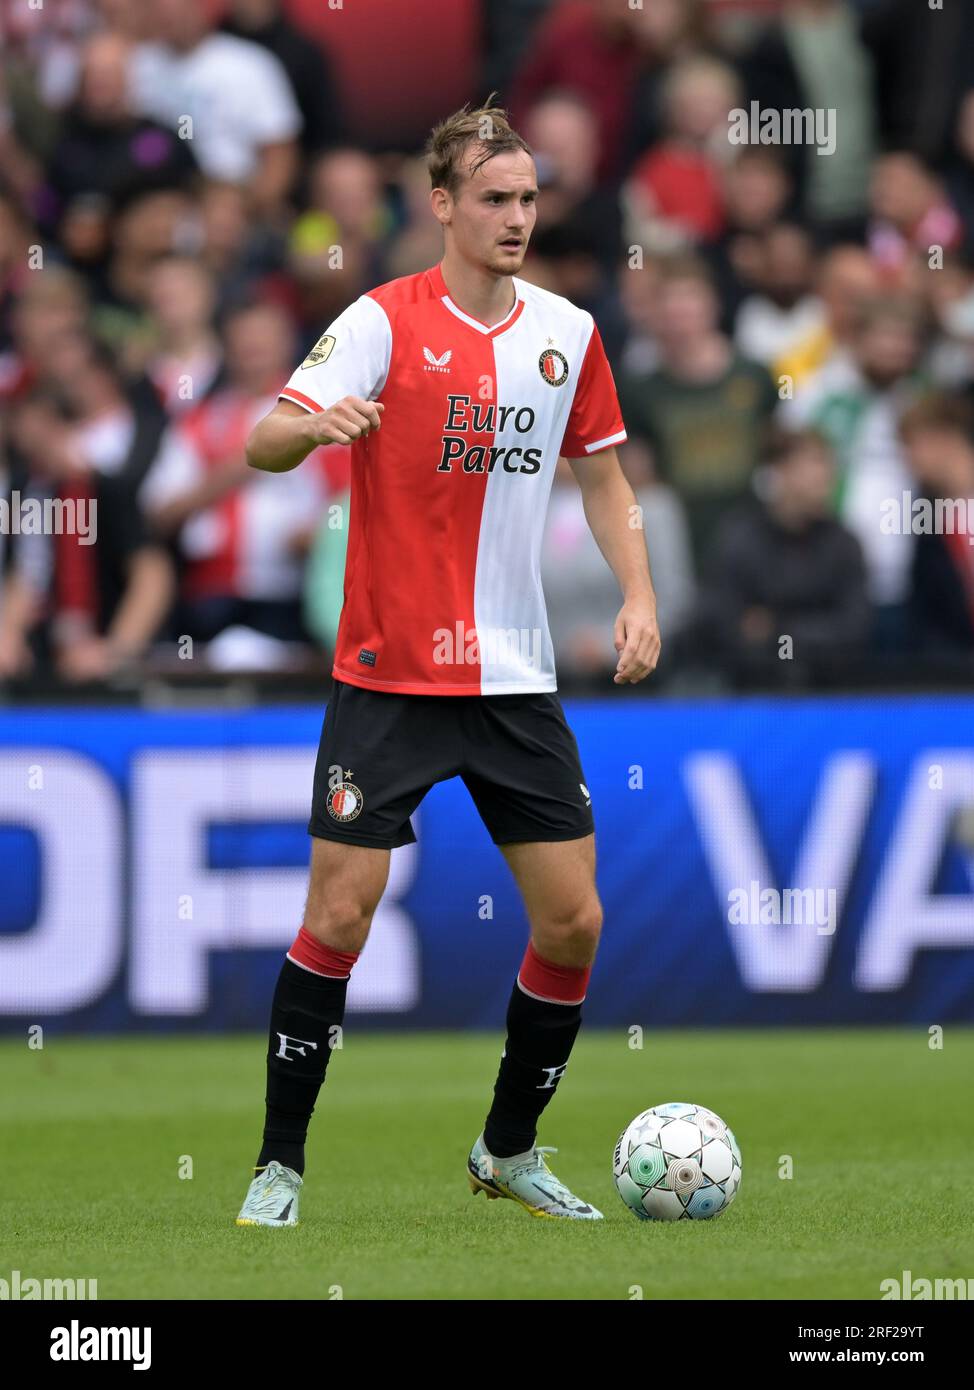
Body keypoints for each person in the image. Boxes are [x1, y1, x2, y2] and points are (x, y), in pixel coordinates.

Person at [236, 97, 660, 1227]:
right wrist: (313, 429)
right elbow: (260, 437)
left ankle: (507, 1149)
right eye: (494, 198)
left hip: (515, 680)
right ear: (441, 206)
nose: (516, 217)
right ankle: (279, 1165)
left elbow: (606, 479)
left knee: (573, 922)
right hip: (388, 674)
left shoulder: (566, 333)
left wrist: (637, 594)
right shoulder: (379, 320)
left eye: (527, 198)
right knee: (340, 914)